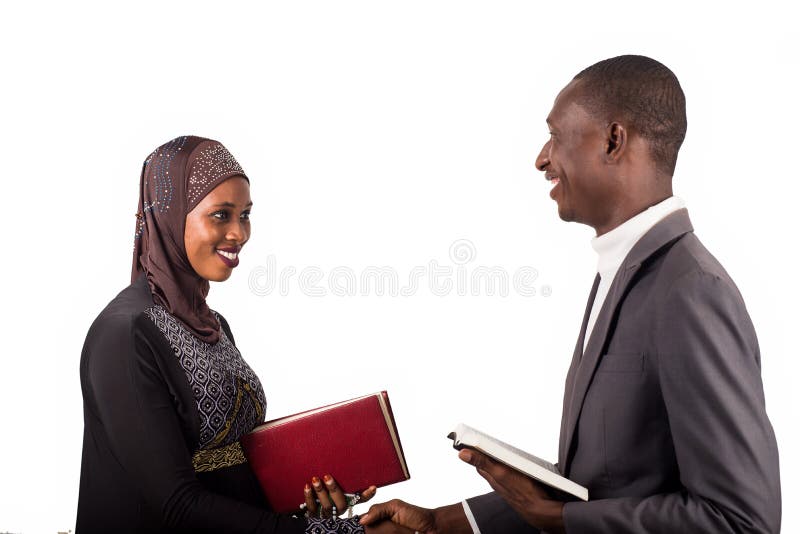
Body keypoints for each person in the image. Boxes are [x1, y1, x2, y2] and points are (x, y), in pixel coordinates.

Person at [360, 55, 782, 533]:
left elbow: (742, 521)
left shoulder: (691, 291)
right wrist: (440, 524)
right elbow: (603, 487)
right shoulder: (621, 272)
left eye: (555, 135)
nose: (542, 158)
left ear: (613, 140)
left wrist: (561, 520)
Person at [76, 136, 395, 534]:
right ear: (171, 216)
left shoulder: (213, 324)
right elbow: (177, 504)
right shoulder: (125, 334)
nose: (239, 233)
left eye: (245, 215)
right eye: (221, 215)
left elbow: (229, 470)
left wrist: (307, 502)